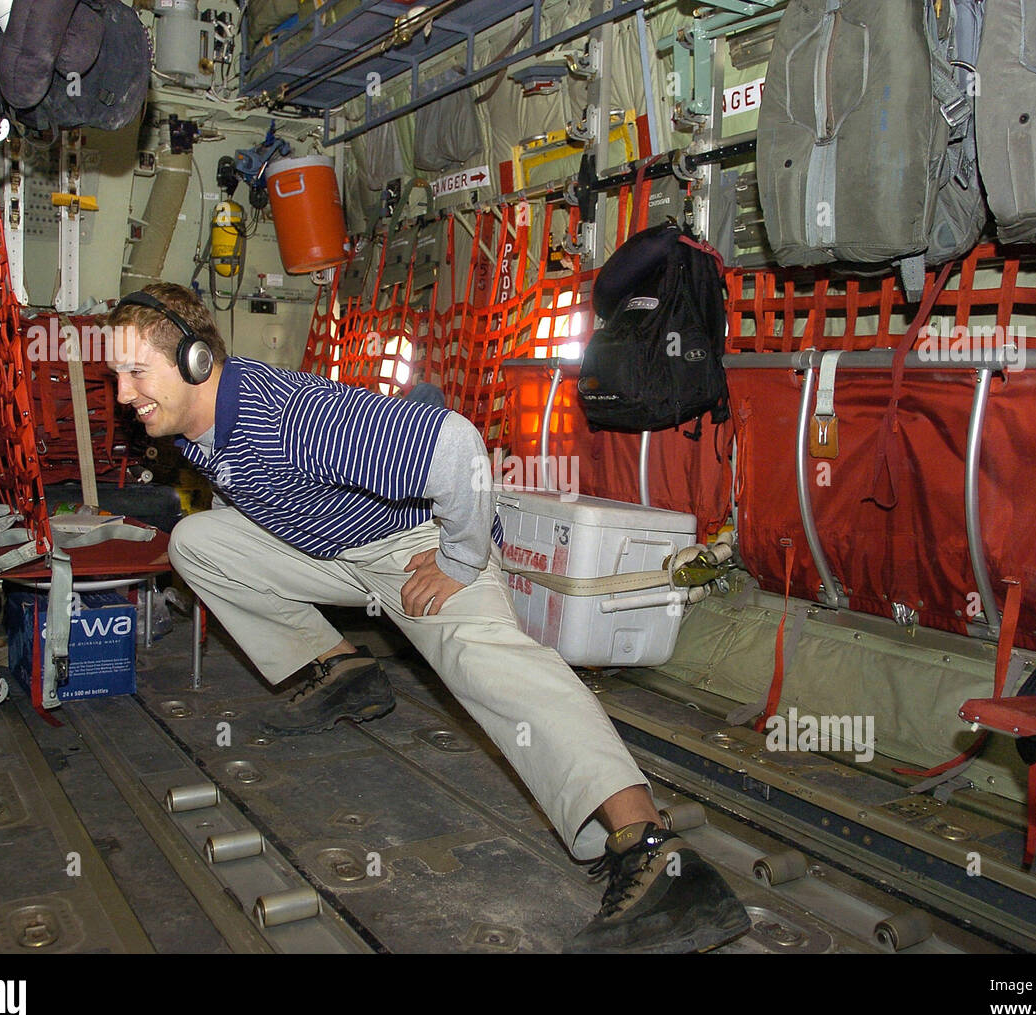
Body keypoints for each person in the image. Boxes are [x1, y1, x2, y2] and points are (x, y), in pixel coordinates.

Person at [107, 282, 751, 954]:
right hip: (335, 549)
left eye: (136, 372)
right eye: (117, 375)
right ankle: (341, 670)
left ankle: (653, 853)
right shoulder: (198, 424)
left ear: (196, 361)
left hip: (415, 549)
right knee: (196, 543)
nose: (124, 394)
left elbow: (455, 448)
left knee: (490, 664)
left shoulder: (285, 414)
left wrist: (460, 559)